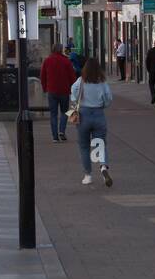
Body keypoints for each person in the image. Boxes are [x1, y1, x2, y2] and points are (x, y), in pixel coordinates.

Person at [69, 57, 113, 187]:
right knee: (100, 143)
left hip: (83, 114)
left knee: (84, 146)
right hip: (99, 114)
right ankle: (103, 166)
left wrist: (78, 101)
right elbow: (108, 98)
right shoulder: (102, 82)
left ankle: (87, 175)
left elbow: (73, 94)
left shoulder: (80, 81)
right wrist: (103, 104)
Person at [40, 42, 77, 143]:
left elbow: (42, 76)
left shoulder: (47, 61)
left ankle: (55, 137)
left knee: (53, 114)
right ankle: (62, 131)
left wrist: (44, 88)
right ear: (61, 50)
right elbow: (72, 76)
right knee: (64, 112)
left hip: (51, 90)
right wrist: (73, 89)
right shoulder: (66, 61)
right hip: (64, 91)